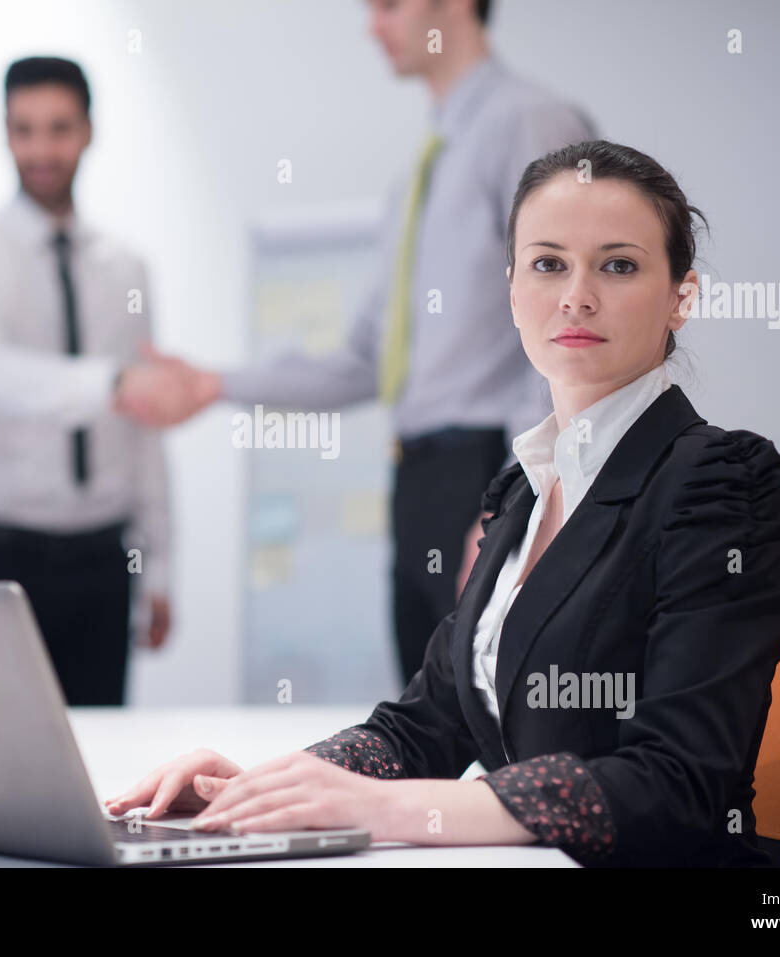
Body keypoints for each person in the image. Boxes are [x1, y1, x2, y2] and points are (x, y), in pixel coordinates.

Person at [102, 140, 780, 867]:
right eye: (548, 263)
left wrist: (386, 808)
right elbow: (426, 726)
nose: (576, 295)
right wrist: (263, 789)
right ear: (511, 291)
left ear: (681, 296)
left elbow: (678, 781)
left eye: (618, 265)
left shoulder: (720, 479)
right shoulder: (523, 487)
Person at [133, 0, 596, 687]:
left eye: (387, 4)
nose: (371, 26)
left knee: (505, 726)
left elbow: (575, 324)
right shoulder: (417, 176)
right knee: (429, 727)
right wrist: (215, 385)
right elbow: (367, 360)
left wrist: (527, 501)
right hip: (419, 482)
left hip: (488, 470)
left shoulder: (530, 124)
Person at [0, 56, 200, 706]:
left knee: (94, 771)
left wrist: (158, 563)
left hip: (100, 561)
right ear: (5, 133)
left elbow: (144, 427)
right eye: (24, 130)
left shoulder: (126, 266)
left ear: (88, 132)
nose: (41, 149)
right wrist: (115, 380)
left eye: (58, 128)